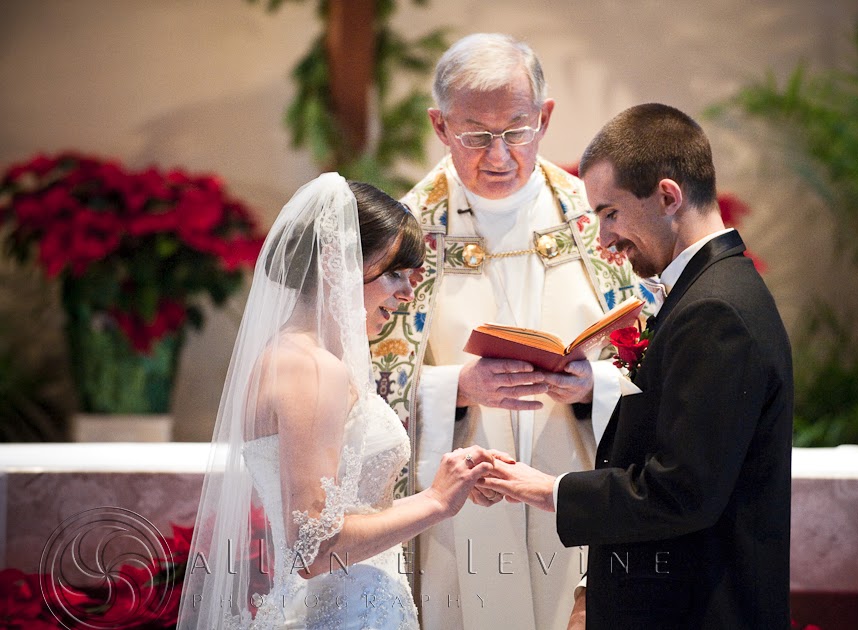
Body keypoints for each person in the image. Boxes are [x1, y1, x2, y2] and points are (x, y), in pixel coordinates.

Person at [479, 103, 794, 629]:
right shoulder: (705, 292)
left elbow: (680, 491)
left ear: (668, 196)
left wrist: (542, 488)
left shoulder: (716, 310)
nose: (604, 239)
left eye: (610, 213)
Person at [372, 33, 648, 630]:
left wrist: (592, 384)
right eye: (475, 135)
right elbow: (363, 387)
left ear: (544, 118)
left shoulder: (596, 220)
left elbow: (654, 359)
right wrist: (457, 388)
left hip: (573, 488)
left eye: (516, 131)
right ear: (440, 127)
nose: (498, 156)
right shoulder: (403, 236)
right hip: (458, 507)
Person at [177, 174, 498, 629]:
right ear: (336, 262)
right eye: (394, 274)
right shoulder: (312, 369)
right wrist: (436, 505)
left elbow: (352, 518)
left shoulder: (294, 356)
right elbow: (314, 546)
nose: (408, 294)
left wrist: (444, 490)